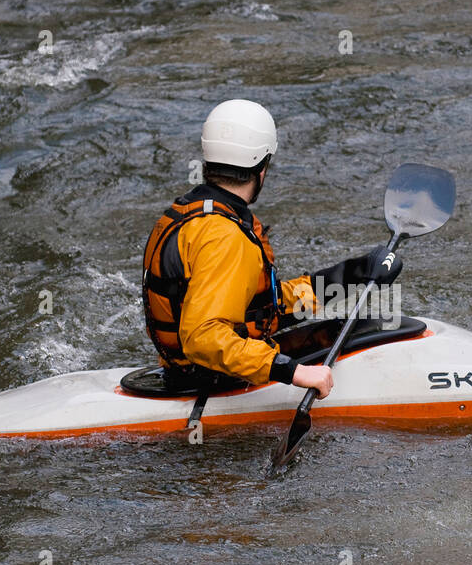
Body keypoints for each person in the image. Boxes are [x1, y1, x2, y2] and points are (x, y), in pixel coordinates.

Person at [141, 99, 401, 399]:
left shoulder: (191, 215)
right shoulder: (227, 236)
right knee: (379, 333)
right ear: (262, 167)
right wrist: (293, 372)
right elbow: (203, 338)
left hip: (189, 370)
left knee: (365, 326)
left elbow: (264, 306)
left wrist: (351, 274)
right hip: (216, 376)